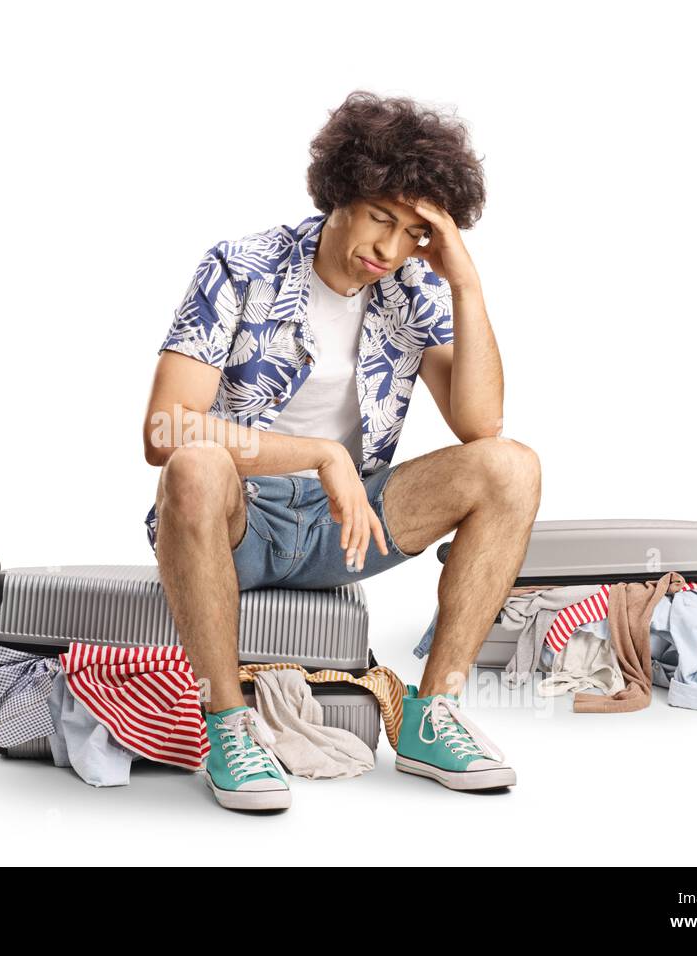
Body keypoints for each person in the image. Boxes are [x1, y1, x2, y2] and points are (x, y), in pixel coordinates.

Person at [141, 90, 541, 812]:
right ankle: (230, 725)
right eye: (381, 218)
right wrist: (322, 456)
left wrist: (465, 284)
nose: (389, 249)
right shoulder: (241, 265)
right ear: (341, 194)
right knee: (196, 462)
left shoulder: (414, 288)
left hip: (345, 525)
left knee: (511, 466)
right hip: (238, 518)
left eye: (415, 233)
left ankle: (432, 715)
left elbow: (481, 425)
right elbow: (164, 430)